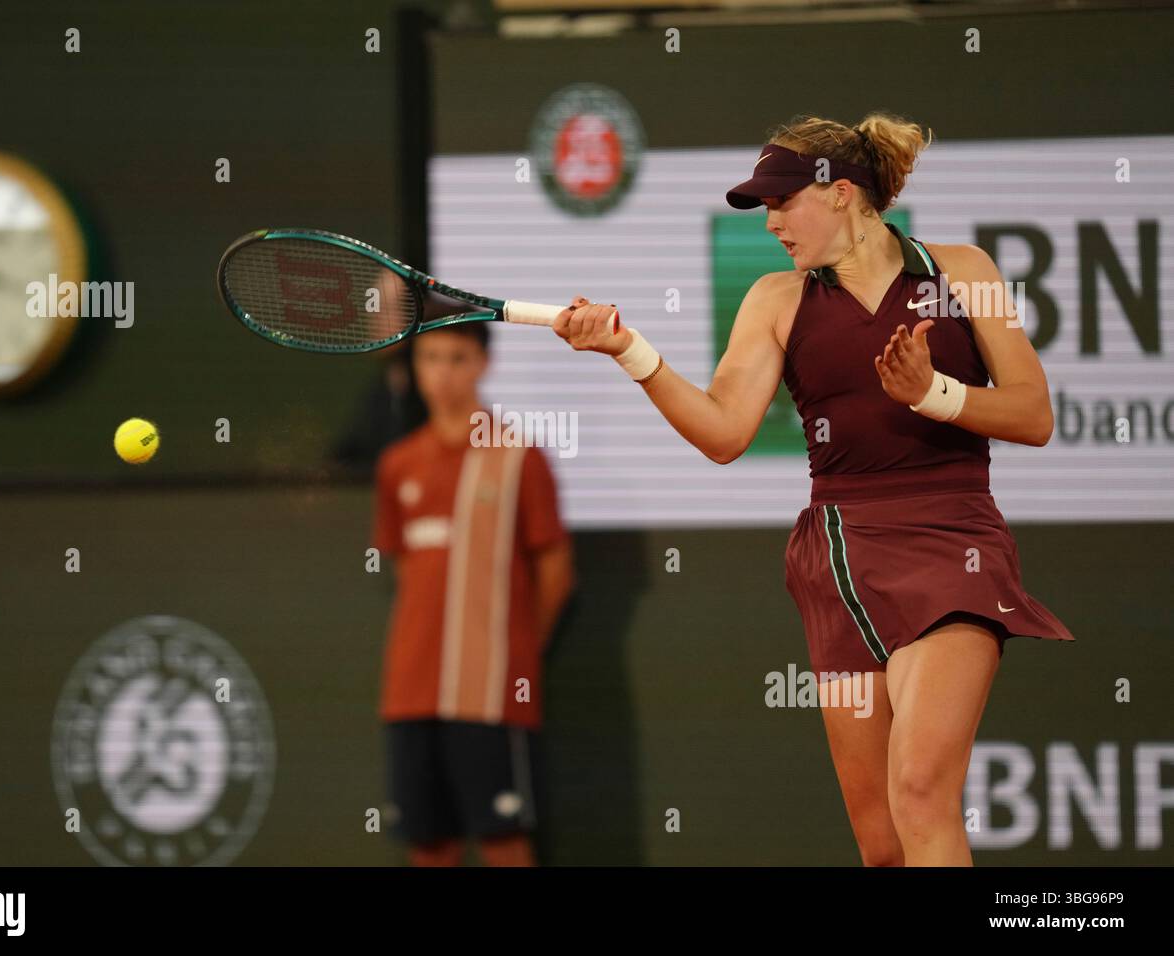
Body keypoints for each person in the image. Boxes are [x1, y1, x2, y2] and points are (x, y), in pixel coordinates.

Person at [551, 112, 1076, 866]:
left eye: (781, 202)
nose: (771, 225)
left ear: (840, 192)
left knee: (923, 791)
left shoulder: (966, 273)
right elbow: (725, 431)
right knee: (884, 846)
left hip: (954, 549)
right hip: (837, 561)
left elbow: (1033, 412)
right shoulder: (775, 300)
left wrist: (934, 393)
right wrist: (629, 350)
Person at [371, 321, 575, 866]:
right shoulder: (397, 465)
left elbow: (556, 571)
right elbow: (404, 571)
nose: (442, 373)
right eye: (430, 357)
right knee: (428, 843)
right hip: (410, 689)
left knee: (502, 839)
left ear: (484, 363)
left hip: (489, 690)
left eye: (457, 358)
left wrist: (517, 654)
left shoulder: (519, 458)